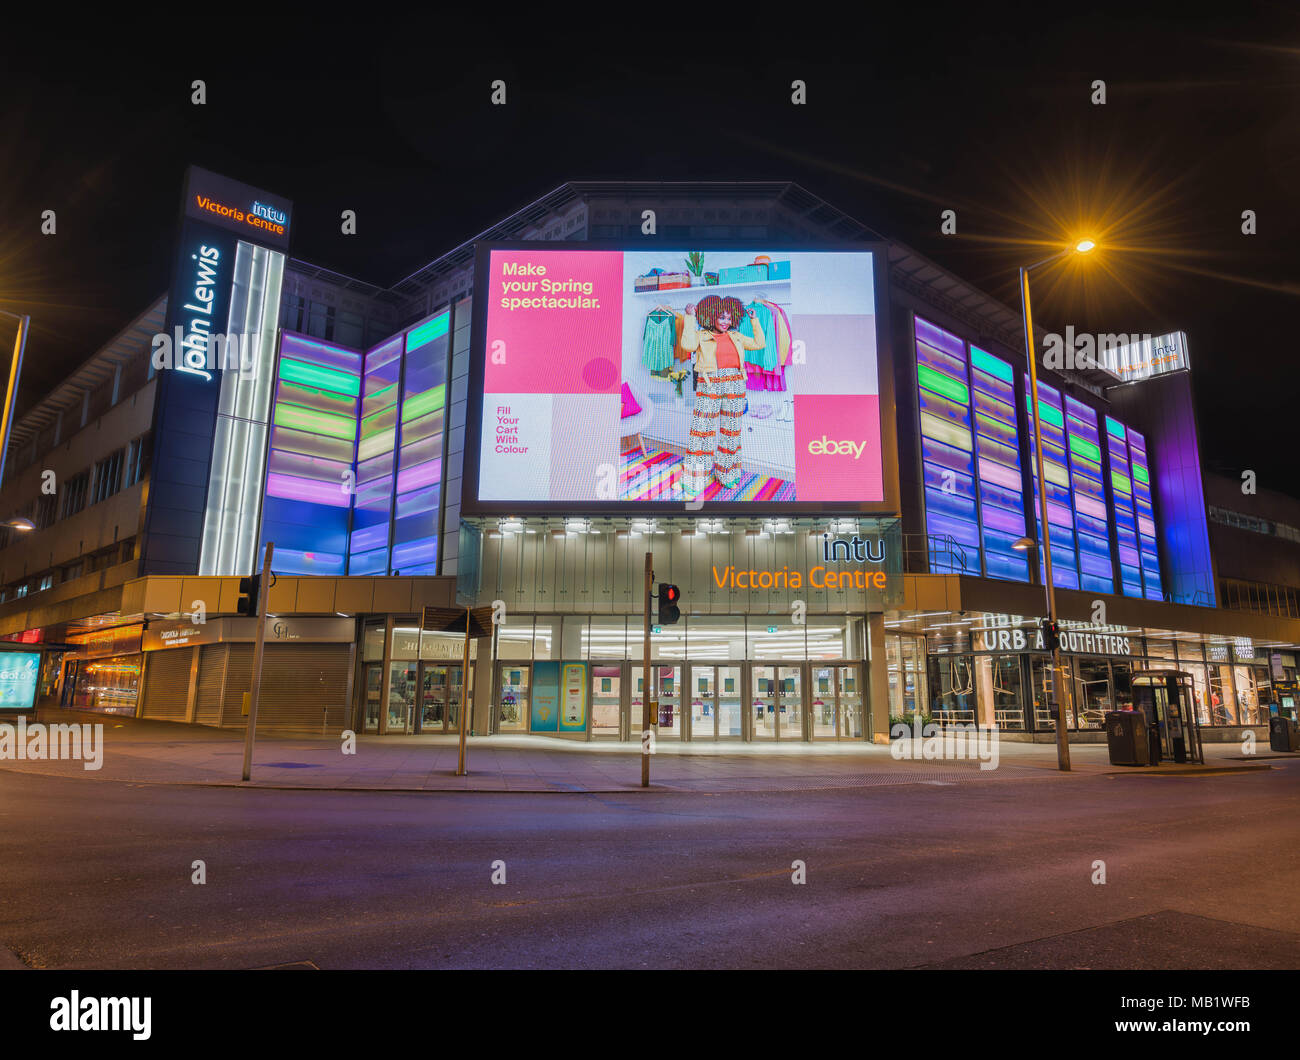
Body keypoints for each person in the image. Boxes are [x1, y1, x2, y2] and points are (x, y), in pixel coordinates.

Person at [679, 296, 766, 495]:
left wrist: (754, 320)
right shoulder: (701, 335)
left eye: (728, 318)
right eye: (721, 317)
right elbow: (688, 346)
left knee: (731, 430)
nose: (725, 322)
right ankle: (695, 477)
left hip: (735, 383)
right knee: (702, 430)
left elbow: (759, 344)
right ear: (711, 317)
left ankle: (726, 472)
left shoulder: (736, 336)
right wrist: (690, 317)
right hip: (710, 383)